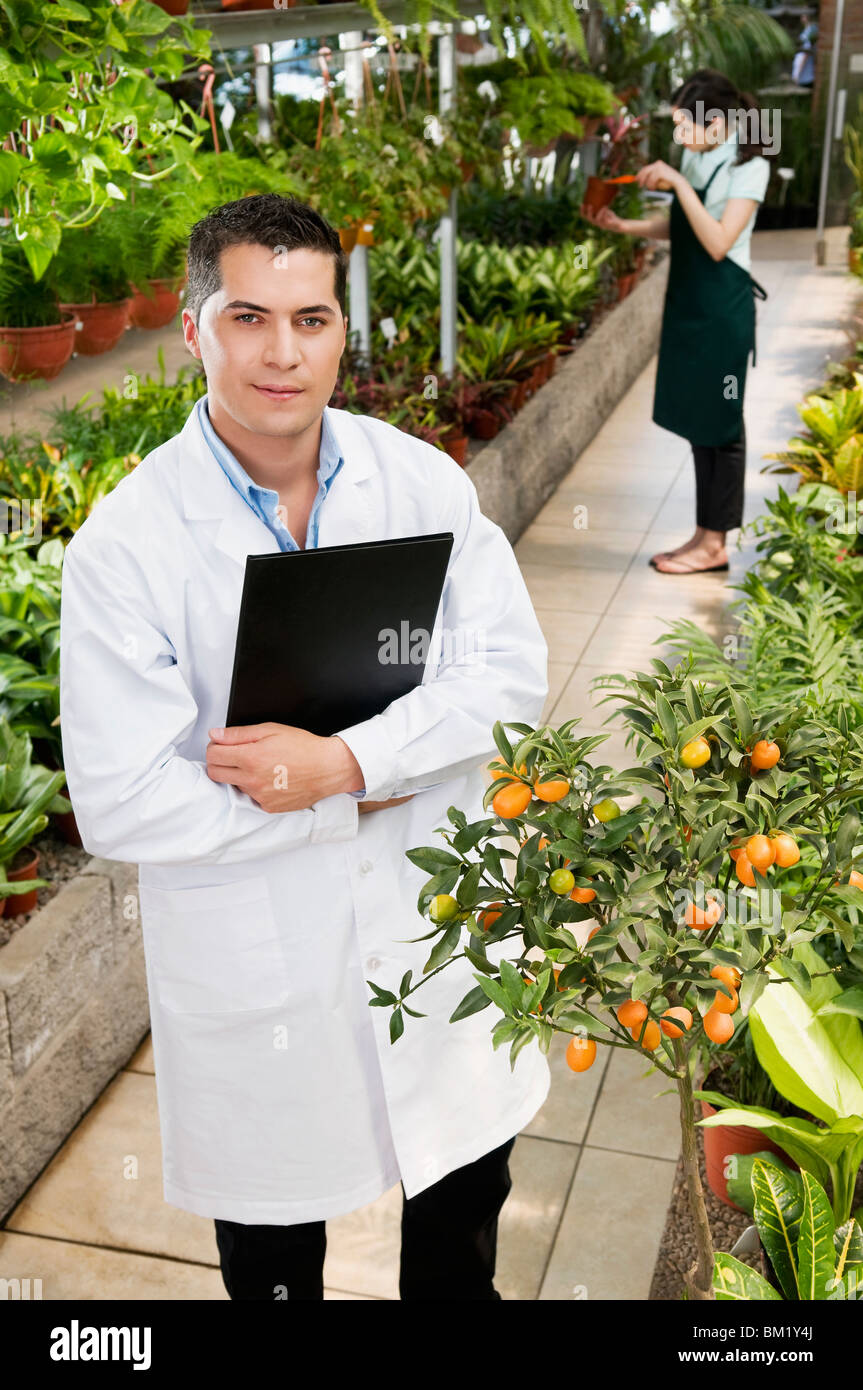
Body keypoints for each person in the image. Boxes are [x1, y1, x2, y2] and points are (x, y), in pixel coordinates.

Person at [58, 194, 551, 1300]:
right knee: (275, 1264)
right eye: (247, 317)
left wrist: (346, 766)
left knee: (461, 1232)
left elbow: (506, 675)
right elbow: (124, 801)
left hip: (434, 941)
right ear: (193, 330)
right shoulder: (126, 548)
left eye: (311, 319)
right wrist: (336, 800)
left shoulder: (418, 484)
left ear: (341, 329)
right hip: (259, 975)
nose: (282, 353)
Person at [583, 68, 771, 574]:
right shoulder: (695, 153)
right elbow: (686, 225)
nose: (680, 135)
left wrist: (680, 181)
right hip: (690, 304)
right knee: (699, 424)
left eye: (688, 125)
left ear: (719, 122)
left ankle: (715, 543)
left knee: (723, 425)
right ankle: (703, 536)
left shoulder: (751, 165)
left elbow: (717, 241)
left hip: (724, 307)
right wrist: (628, 226)